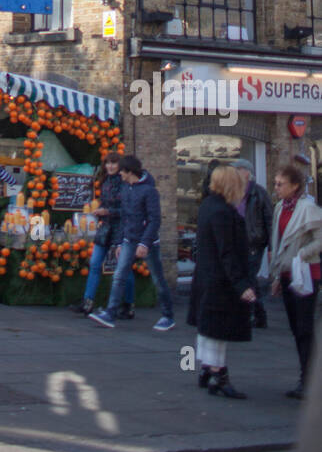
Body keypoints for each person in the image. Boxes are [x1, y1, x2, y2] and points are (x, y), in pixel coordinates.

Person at [187, 164, 256, 398]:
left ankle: (207, 370)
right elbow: (227, 252)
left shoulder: (208, 206)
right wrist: (242, 285)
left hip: (206, 276)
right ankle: (219, 375)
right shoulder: (223, 213)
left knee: (208, 327)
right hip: (220, 281)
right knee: (218, 330)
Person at [90, 154, 175, 331]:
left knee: (157, 278)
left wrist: (145, 243)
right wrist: (120, 242)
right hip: (129, 239)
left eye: (122, 171)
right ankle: (110, 313)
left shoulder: (149, 191)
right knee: (119, 276)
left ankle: (168, 316)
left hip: (148, 241)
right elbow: (125, 217)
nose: (119, 174)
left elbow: (154, 220)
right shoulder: (126, 189)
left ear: (129, 172)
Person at [269, 162, 322, 400]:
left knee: (304, 328)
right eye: (275, 184)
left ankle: (309, 380)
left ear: (295, 186)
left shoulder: (308, 208)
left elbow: (320, 239)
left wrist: (303, 254)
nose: (276, 188)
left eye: (281, 184)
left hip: (307, 275)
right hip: (288, 274)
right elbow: (279, 243)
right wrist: (277, 275)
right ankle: (306, 376)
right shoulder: (280, 208)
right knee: (295, 328)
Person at [73, 151, 134, 318]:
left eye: (114, 163)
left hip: (120, 228)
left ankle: (129, 305)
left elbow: (127, 209)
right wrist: (97, 209)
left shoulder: (125, 183)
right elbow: (104, 202)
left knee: (124, 267)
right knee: (94, 263)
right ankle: (88, 302)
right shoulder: (105, 181)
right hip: (105, 227)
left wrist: (107, 211)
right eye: (108, 163)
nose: (111, 166)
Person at [232, 159, 273, 329]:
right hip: (237, 242)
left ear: (246, 173)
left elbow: (269, 220)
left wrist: (271, 245)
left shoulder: (259, 193)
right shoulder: (233, 192)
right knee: (248, 278)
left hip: (254, 242)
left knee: (248, 277)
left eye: (237, 171)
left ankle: (249, 313)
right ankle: (259, 313)